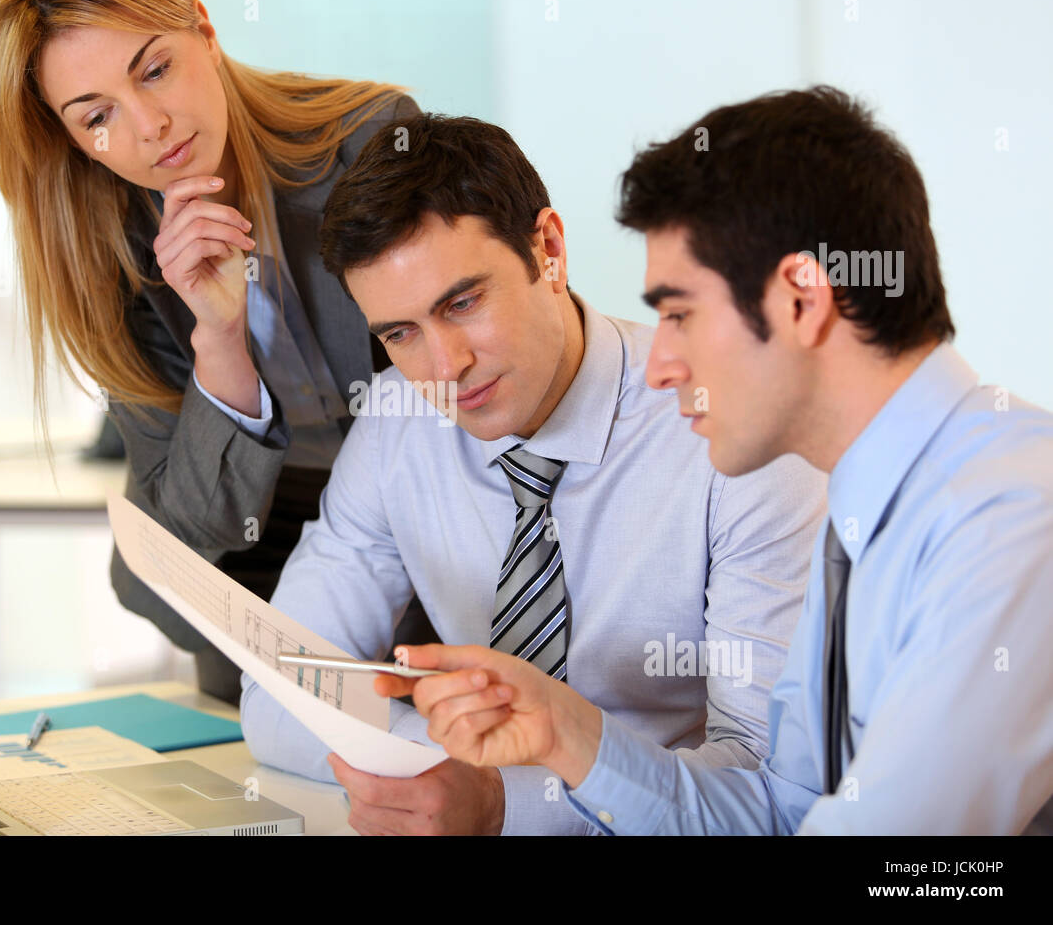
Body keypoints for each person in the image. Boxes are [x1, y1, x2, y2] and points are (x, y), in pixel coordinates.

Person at [383, 87, 1053, 834]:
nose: (660, 363)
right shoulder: (866, 517)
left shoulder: (1011, 517)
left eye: (679, 314)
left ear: (803, 299)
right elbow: (780, 812)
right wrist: (565, 735)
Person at [238, 113, 827, 835]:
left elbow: (765, 789)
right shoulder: (397, 417)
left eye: (463, 303)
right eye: (400, 334)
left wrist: (503, 801)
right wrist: (459, 772)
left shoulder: (733, 435)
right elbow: (282, 691)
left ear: (548, 249)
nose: (444, 367)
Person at [0, 0, 432, 703]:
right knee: (215, 656)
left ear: (206, 32)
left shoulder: (366, 143)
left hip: (421, 501)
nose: (148, 126)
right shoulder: (108, 247)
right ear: (74, 141)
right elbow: (181, 538)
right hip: (265, 524)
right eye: (97, 117)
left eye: (155, 70)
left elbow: (473, 373)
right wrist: (219, 340)